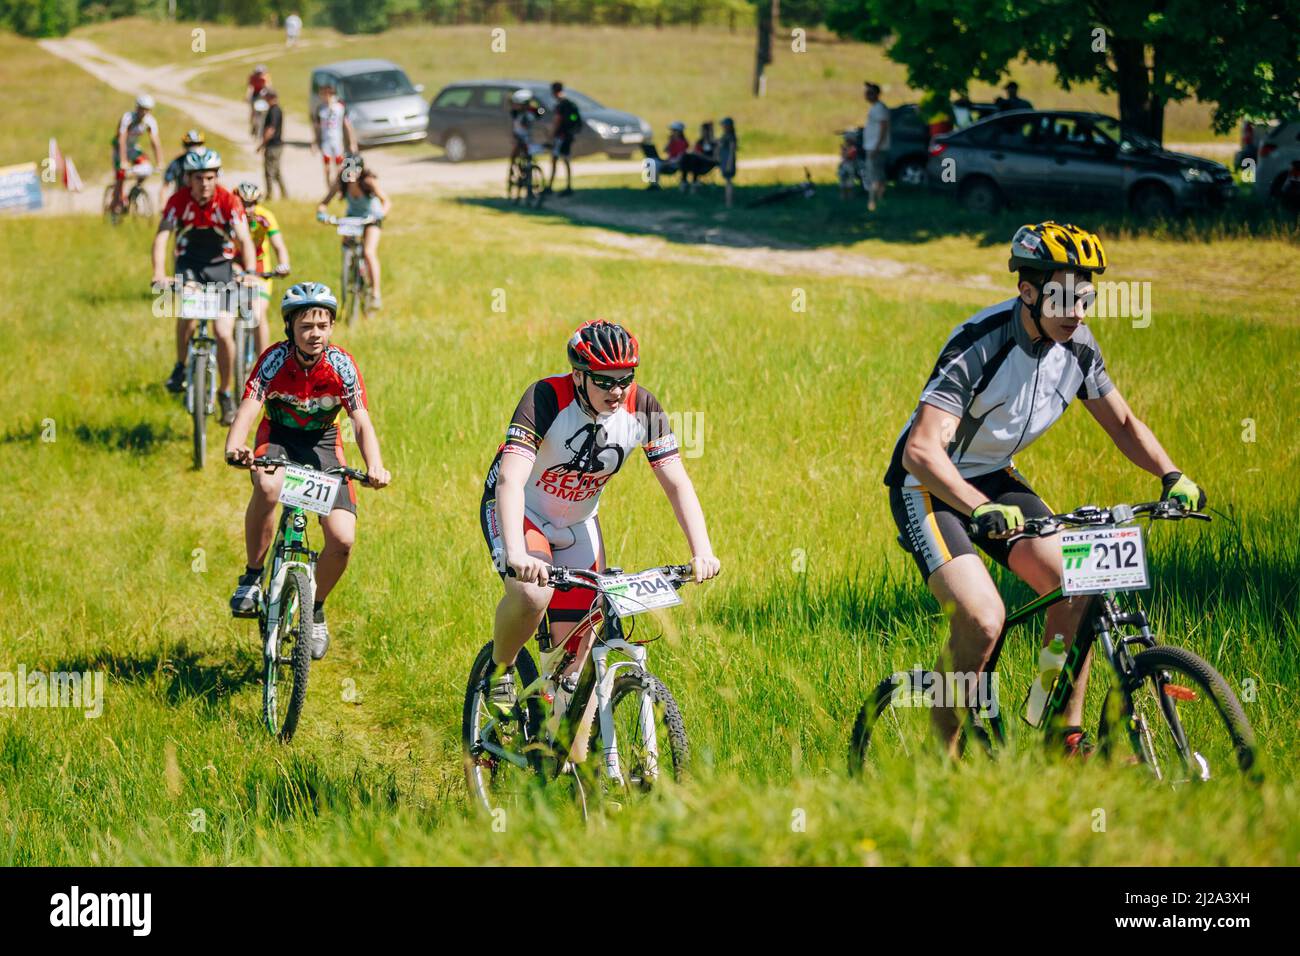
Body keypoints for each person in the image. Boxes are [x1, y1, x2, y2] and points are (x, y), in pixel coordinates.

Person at [883, 221, 1207, 758]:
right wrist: (979, 507)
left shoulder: (1077, 345)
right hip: (929, 484)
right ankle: (939, 764)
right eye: (1062, 298)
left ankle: (1059, 729)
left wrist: (1171, 474)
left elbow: (1122, 423)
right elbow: (921, 449)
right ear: (1027, 293)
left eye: (1086, 297)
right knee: (983, 619)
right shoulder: (981, 342)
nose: (1077, 311)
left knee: (1076, 584)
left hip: (992, 476)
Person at [478, 320, 721, 745]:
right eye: (605, 381)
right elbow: (510, 481)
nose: (618, 390)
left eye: (626, 378)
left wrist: (702, 551)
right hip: (524, 512)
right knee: (533, 595)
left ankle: (572, 762)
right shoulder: (545, 398)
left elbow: (676, 482)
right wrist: (517, 553)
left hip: (577, 522)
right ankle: (500, 670)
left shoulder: (642, 409)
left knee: (581, 652)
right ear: (578, 375)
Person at [225, 282, 391, 658]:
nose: (314, 334)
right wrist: (236, 443)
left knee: (343, 539)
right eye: (305, 326)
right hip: (279, 437)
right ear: (290, 329)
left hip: (322, 445)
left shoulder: (341, 366)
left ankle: (314, 609)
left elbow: (361, 421)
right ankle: (252, 576)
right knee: (268, 489)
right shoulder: (273, 360)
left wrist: (375, 465)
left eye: (322, 325)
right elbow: (251, 404)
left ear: (331, 327)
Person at [152, 149, 258, 426]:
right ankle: (180, 365)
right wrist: (158, 272)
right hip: (189, 264)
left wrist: (249, 272)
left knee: (223, 331)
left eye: (210, 177)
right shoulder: (178, 201)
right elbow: (163, 236)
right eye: (199, 178)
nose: (205, 183)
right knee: (187, 311)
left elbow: (245, 239)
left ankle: (225, 393)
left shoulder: (228, 201)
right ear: (189, 178)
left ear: (217, 177)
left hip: (220, 266)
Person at [317, 153, 390, 311]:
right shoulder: (341, 183)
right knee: (346, 246)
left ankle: (375, 293)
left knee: (369, 252)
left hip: (371, 218)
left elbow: (386, 201)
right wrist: (322, 214)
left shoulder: (368, 182)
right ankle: (349, 269)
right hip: (352, 218)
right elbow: (323, 203)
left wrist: (381, 214)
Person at [236, 181, 291, 362]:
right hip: (234, 266)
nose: (248, 209)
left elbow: (279, 245)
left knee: (258, 315)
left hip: (260, 269)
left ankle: (263, 364)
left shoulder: (266, 217)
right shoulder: (230, 216)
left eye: (252, 204)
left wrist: (283, 264)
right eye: (243, 204)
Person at [111, 94, 162, 212]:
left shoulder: (150, 121)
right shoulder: (128, 118)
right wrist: (123, 160)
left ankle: (135, 191)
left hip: (133, 148)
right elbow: (121, 140)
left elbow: (155, 142)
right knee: (121, 174)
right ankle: (115, 204)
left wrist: (160, 161)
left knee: (146, 167)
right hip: (119, 148)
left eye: (147, 110)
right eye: (141, 109)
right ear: (137, 108)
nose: (144, 112)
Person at [313, 83, 357, 189]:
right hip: (326, 142)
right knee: (326, 167)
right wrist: (315, 142)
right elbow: (317, 127)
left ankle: (341, 188)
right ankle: (329, 188)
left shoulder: (340, 107)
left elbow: (347, 126)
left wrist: (352, 142)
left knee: (339, 166)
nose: (323, 97)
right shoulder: (320, 109)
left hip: (337, 141)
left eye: (325, 94)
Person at [545, 81, 582, 196]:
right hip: (568, 135)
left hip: (561, 137)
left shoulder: (560, 105)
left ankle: (551, 186)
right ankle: (568, 186)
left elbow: (557, 121)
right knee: (565, 160)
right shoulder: (569, 102)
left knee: (556, 160)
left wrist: (550, 135)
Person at [862, 82, 890, 212]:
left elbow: (883, 128)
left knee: (875, 176)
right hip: (874, 147)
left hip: (876, 148)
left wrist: (877, 147)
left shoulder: (879, 108)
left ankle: (873, 202)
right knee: (878, 175)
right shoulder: (875, 108)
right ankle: (879, 201)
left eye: (870, 93)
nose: (867, 95)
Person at [258, 88, 288, 199]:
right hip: (277, 145)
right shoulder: (276, 109)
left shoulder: (274, 111)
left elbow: (271, 129)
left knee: (269, 172)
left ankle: (269, 195)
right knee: (276, 171)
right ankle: (285, 194)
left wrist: (262, 144)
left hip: (273, 146)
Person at [162, 128, 206, 202]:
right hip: (181, 201)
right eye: (190, 145)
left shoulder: (207, 163)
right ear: (185, 146)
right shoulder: (177, 163)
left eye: (197, 144)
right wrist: (163, 206)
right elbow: (165, 186)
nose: (194, 148)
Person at [717, 117, 738, 207]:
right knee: (727, 181)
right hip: (724, 161)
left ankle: (729, 202)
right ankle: (727, 201)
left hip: (728, 162)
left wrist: (729, 163)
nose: (723, 127)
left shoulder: (731, 137)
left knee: (729, 182)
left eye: (724, 125)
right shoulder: (726, 135)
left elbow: (732, 151)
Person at [247, 64, 272, 137]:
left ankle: (261, 126)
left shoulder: (266, 77)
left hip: (263, 96)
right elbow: (250, 88)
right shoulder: (252, 77)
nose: (259, 74)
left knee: (263, 112)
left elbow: (269, 87)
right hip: (255, 95)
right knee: (253, 111)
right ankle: (253, 125)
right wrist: (248, 96)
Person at [838, 128, 862, 199]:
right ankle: (843, 196)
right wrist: (844, 151)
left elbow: (850, 156)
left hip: (850, 166)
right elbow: (843, 156)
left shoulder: (853, 148)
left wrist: (845, 152)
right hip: (844, 166)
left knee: (850, 183)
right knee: (842, 183)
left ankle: (850, 196)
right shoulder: (845, 147)